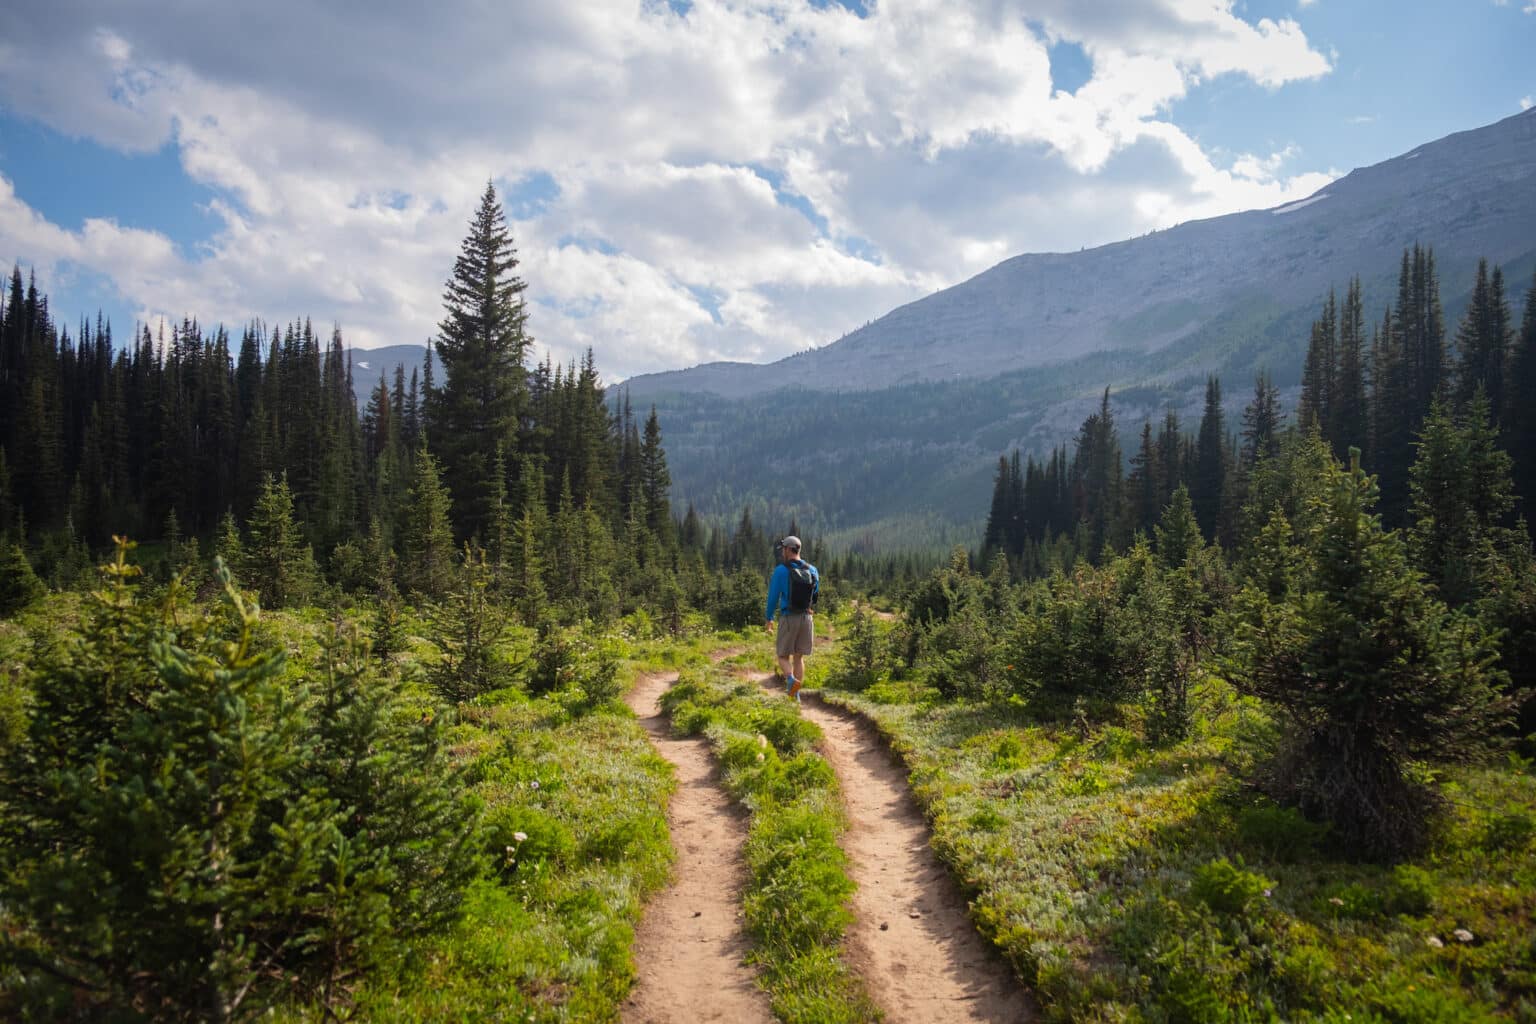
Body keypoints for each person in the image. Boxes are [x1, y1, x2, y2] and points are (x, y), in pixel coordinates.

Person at [764, 535, 818, 699]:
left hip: (789, 617)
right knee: (798, 657)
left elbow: (773, 597)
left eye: (783, 550)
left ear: (788, 550)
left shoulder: (781, 570)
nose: (782, 553)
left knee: (782, 656)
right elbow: (815, 594)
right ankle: (795, 695)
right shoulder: (812, 570)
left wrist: (769, 618)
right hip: (806, 618)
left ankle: (790, 680)